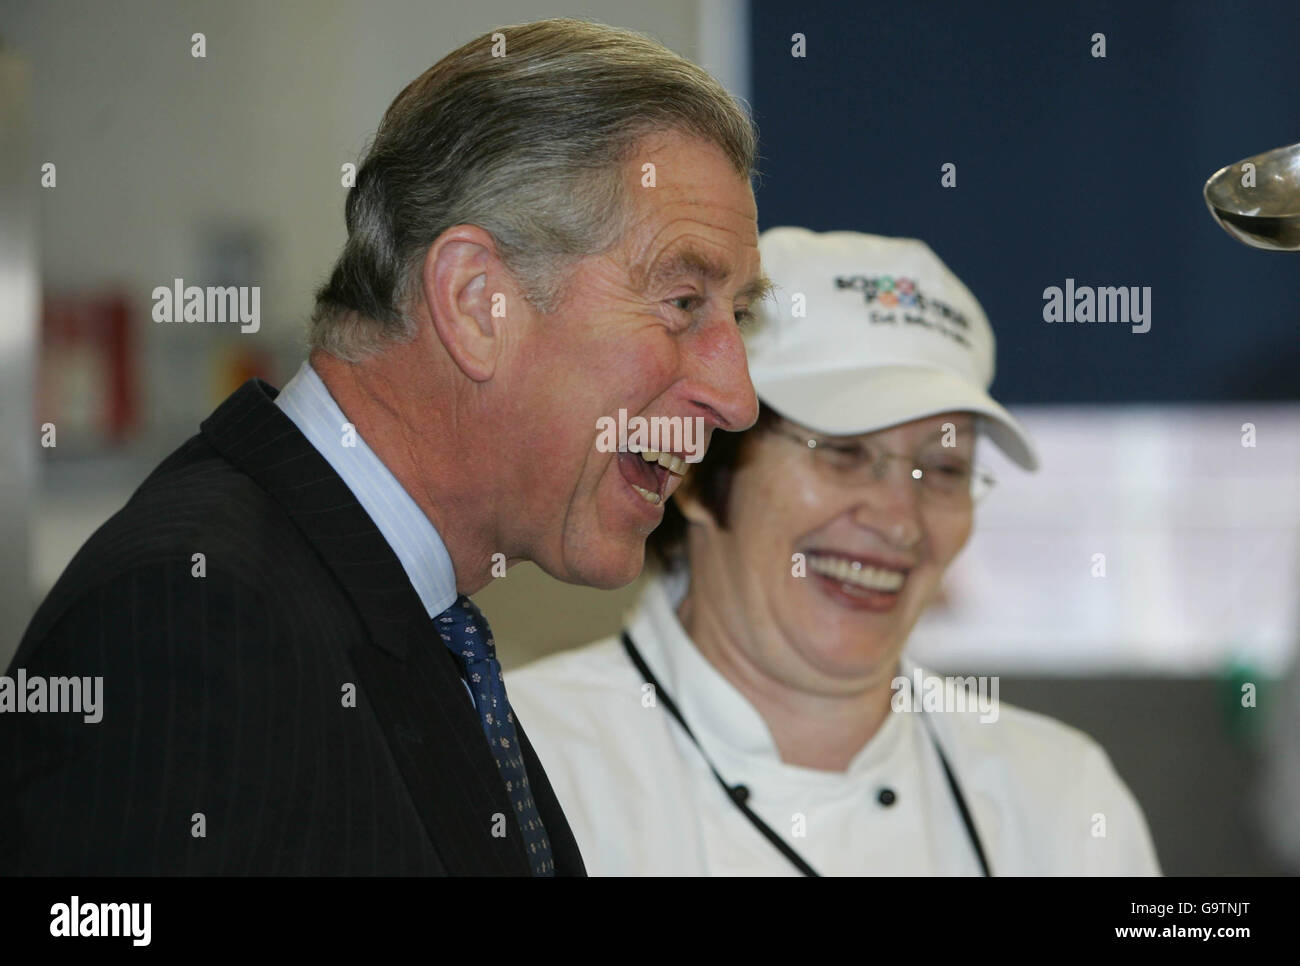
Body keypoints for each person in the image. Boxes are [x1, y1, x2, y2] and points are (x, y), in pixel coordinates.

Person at [1, 18, 767, 875]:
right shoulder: (192, 618)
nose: (736, 398)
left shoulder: (411, 618)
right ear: (480, 304)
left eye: (739, 317)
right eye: (683, 302)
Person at [507, 227, 1161, 875]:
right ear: (699, 472)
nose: (899, 520)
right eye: (845, 453)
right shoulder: (524, 760)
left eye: (943, 468)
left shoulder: (1061, 800)